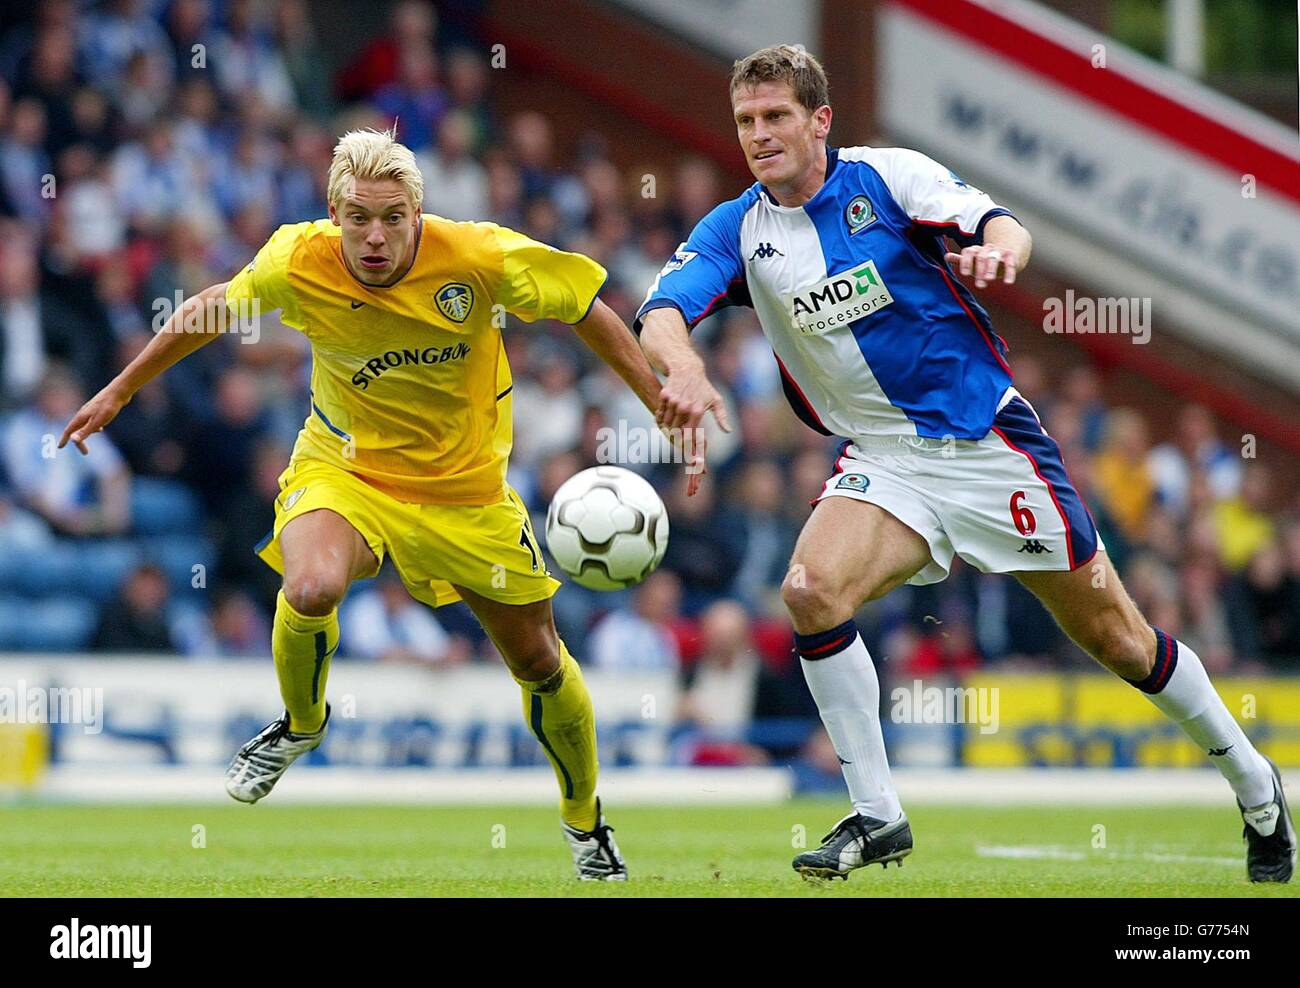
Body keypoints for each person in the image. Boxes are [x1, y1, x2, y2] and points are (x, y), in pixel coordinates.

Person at [635, 45, 1293, 883]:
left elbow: (1001, 226)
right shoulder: (735, 229)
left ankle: (1253, 783)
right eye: (746, 122)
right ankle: (878, 814)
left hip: (989, 446)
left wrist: (1000, 254)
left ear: (820, 120)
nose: (759, 136)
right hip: (885, 459)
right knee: (808, 590)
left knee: (1120, 639)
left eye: (776, 118)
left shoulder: (887, 179)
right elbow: (659, 313)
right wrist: (684, 366)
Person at [60, 127, 670, 881]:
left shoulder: (478, 256)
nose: (374, 238)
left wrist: (656, 397)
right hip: (346, 471)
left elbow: (585, 306)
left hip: (466, 494)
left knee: (540, 660)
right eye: (357, 218)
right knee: (310, 585)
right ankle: (300, 724)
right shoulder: (298, 259)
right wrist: (121, 388)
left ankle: (585, 824)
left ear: (418, 213)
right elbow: (215, 307)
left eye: (391, 218)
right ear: (333, 212)